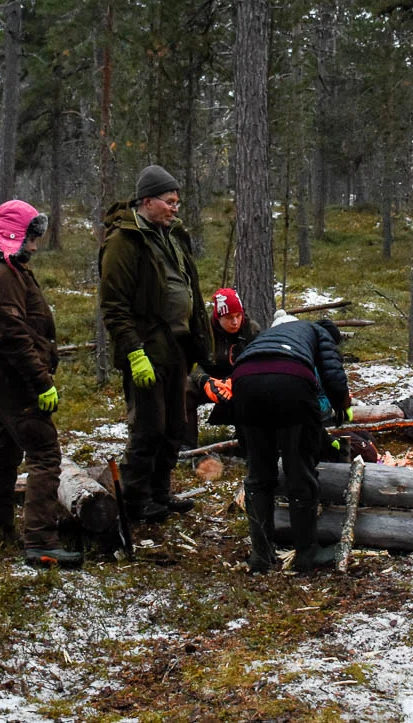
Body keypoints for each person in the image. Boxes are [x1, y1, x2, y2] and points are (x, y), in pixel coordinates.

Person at [0, 200, 79, 568]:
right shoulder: (3, 276)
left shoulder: (3, 269)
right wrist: (41, 383)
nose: (36, 247)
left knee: (5, 454)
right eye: (30, 238)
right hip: (14, 381)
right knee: (44, 453)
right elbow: (12, 337)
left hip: (2, 379)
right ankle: (40, 540)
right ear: (11, 236)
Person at [99, 165, 210, 524]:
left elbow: (188, 286)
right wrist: (135, 352)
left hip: (177, 346)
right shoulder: (122, 242)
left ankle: (160, 494)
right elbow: (114, 307)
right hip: (147, 348)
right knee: (148, 428)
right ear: (147, 201)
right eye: (169, 201)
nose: (175, 208)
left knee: (175, 427)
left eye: (177, 201)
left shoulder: (173, 235)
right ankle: (134, 502)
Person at [232, 318, 352, 574]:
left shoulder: (275, 332)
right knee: (300, 471)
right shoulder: (321, 333)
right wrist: (342, 403)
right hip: (291, 379)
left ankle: (261, 556)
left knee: (258, 476)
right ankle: (307, 554)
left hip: (243, 380)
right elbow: (333, 373)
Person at [182, 288, 260, 449]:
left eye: (238, 316)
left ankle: (249, 440)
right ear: (218, 318)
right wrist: (205, 381)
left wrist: (235, 379)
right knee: (185, 389)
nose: (235, 322)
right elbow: (191, 362)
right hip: (210, 380)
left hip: (240, 380)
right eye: (229, 318)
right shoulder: (203, 331)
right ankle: (188, 446)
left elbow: (258, 360)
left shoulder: (251, 329)